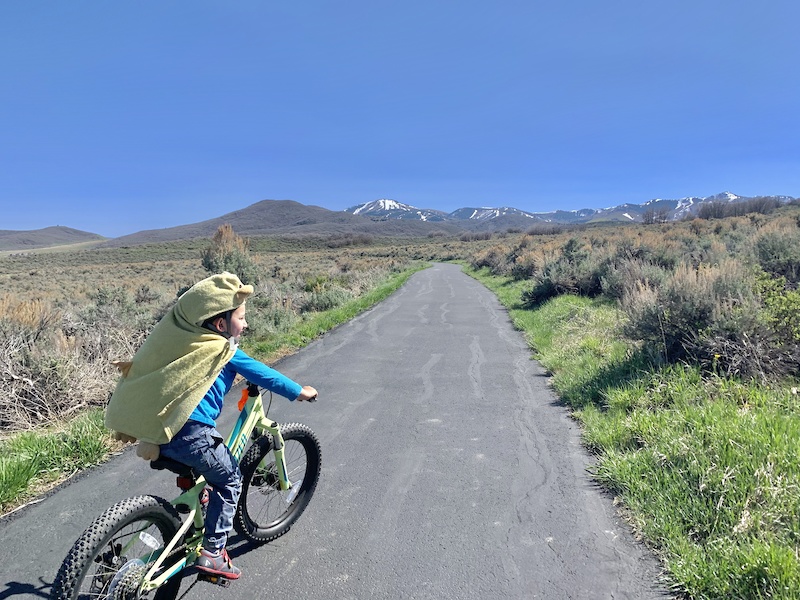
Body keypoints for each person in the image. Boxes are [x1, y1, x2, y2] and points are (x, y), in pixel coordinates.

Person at [105, 272, 317, 580]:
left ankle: (199, 507)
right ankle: (214, 553)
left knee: (203, 468)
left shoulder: (183, 344)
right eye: (241, 318)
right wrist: (300, 391)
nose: (245, 324)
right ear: (220, 324)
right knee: (229, 480)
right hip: (192, 434)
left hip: (159, 433)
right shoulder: (223, 350)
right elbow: (265, 375)